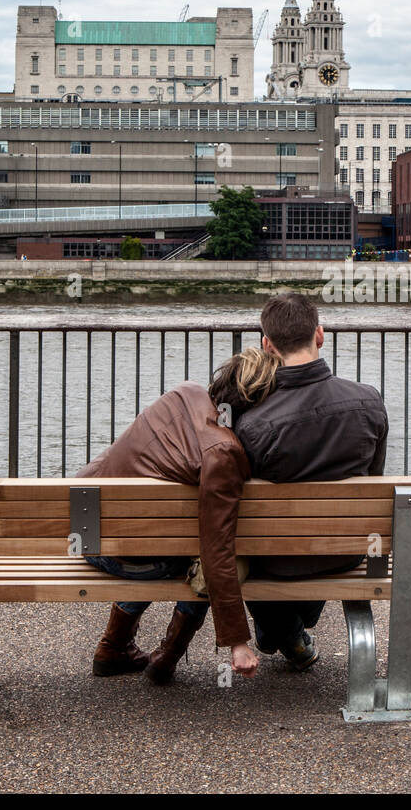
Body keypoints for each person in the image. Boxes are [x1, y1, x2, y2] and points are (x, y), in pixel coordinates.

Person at [82, 348, 280, 684]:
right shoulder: (224, 452)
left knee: (153, 535)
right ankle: (167, 657)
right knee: (207, 564)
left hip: (94, 538)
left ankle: (113, 646)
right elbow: (216, 549)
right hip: (131, 559)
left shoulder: (185, 392)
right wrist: (237, 642)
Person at [234, 293, 388, 669]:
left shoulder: (251, 423)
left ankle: (283, 631)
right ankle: (288, 632)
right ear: (320, 335)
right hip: (346, 550)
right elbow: (375, 481)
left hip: (276, 557)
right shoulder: (369, 402)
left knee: (252, 540)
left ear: (267, 345)